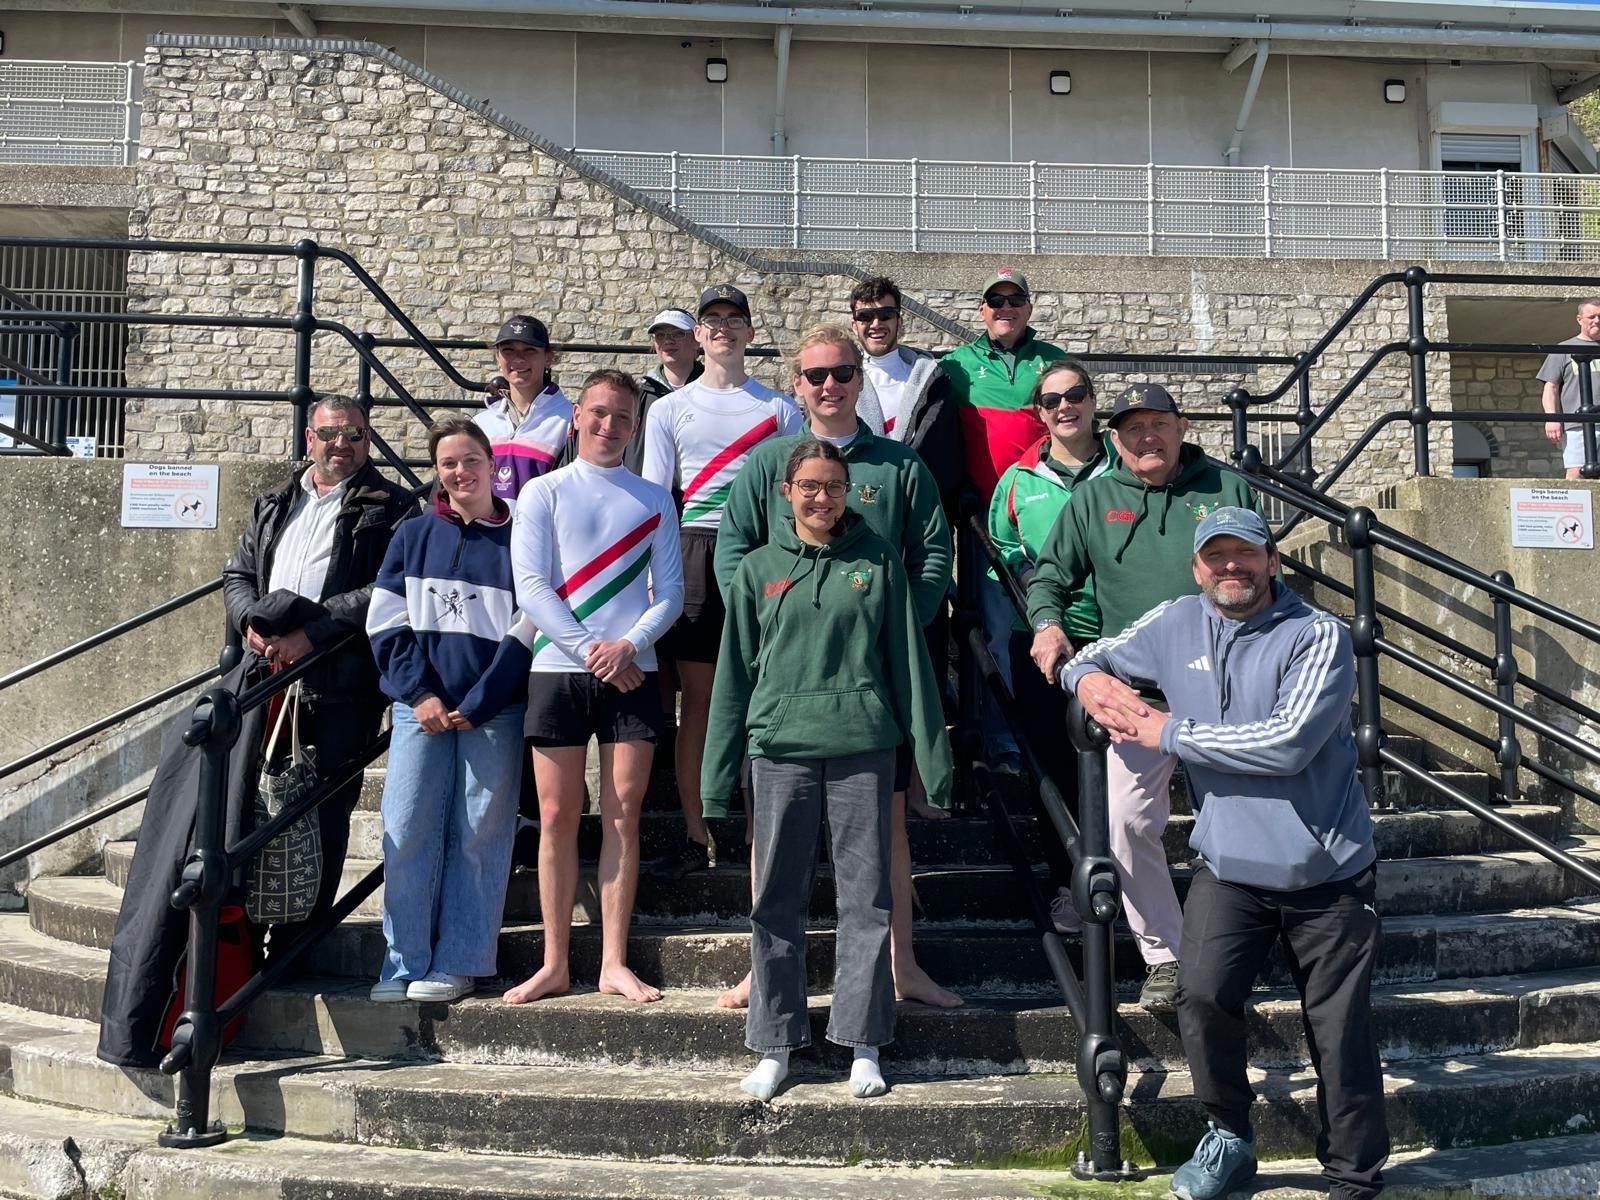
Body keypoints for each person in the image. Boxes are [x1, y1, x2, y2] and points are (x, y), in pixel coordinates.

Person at [1063, 507, 1387, 1200]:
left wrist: (1168, 732)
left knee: (1339, 1032)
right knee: (1203, 997)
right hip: (1229, 866)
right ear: (1196, 568)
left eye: (1245, 554)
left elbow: (1287, 743)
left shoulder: (1318, 635)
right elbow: (1093, 655)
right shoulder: (1176, 620)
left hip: (1326, 871)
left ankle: (1353, 1176)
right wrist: (1085, 680)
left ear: (1273, 562)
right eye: (1216, 557)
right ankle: (1230, 1139)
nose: (1230, 567)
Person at [98, 394, 417, 1065]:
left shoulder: (391, 508)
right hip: (262, 676)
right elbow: (239, 571)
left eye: (354, 435)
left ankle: (297, 945)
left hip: (337, 683)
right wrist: (250, 621)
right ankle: (249, 938)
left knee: (321, 810)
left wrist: (312, 633)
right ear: (309, 438)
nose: (341, 445)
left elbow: (386, 590)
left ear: (368, 441)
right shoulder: (276, 501)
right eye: (330, 434)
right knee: (248, 808)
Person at [714, 324, 958, 1010]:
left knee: (888, 827)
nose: (830, 385)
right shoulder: (768, 464)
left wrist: (897, 622)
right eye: (815, 375)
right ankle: (762, 969)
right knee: (770, 833)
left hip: (871, 678)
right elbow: (734, 550)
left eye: (842, 373)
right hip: (786, 677)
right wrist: (764, 625)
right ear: (796, 385)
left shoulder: (900, 466)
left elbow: (933, 551)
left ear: (860, 378)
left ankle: (901, 962)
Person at [702, 439, 954, 1103]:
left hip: (863, 744)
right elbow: (733, 677)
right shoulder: (756, 568)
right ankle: (775, 1043)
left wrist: (933, 761)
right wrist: (716, 777)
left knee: (866, 898)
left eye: (834, 486)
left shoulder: (879, 560)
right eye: (809, 486)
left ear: (848, 492)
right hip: (779, 747)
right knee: (774, 899)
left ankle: (864, 1042)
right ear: (786, 492)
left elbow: (909, 663)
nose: (822, 498)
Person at [1026, 382, 1258, 1011]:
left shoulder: (1226, 488)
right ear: (1115, 438)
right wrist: (1048, 623)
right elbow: (1050, 574)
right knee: (1124, 822)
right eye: (1133, 428)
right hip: (1137, 694)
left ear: (1182, 428)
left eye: (1158, 424)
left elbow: (1266, 573)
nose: (1146, 437)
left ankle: (1247, 941)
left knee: (1248, 814)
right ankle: (1167, 955)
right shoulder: (1095, 498)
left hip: (1226, 682)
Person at [505, 369, 684, 1004]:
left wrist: (628, 647)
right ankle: (554, 962)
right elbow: (532, 587)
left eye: (623, 417)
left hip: (634, 669)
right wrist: (594, 653)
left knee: (623, 816)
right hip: (559, 669)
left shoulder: (654, 499)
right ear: (577, 416)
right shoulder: (544, 492)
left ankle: (613, 961)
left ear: (635, 426)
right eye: (599, 413)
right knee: (556, 815)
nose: (610, 426)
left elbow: (671, 593)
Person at [365, 418, 536, 1004]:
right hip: (420, 710)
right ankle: (402, 961)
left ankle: (461, 960)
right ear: (436, 472)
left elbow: (529, 624)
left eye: (470, 460)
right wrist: (419, 694)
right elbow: (385, 621)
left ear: (493, 465)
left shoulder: (521, 538)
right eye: (448, 464)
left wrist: (485, 697)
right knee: (407, 826)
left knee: (479, 834)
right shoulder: (412, 535)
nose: (461, 472)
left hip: (494, 711)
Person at [642, 284, 804, 876]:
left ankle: (762, 834)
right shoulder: (668, 409)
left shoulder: (780, 409)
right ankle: (697, 833)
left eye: (735, 319)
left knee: (761, 695)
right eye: (713, 319)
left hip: (760, 553)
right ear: (698, 334)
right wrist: (655, 575)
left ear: (750, 333)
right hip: (692, 550)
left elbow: (790, 497)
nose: (724, 329)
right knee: (702, 703)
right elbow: (657, 500)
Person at [986, 359, 1112, 932]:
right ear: (1038, 412)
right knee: (1054, 764)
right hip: (1043, 640)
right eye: (1051, 399)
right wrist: (1040, 611)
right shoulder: (1017, 480)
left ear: (1093, 400)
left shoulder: (1124, 467)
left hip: (1118, 635)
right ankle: (1069, 883)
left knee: (1127, 768)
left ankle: (1128, 883)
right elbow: (1003, 555)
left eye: (1075, 394)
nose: (1065, 406)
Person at [941, 268, 1068, 769]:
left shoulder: (1054, 363)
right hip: (985, 524)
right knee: (993, 630)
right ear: (982, 310)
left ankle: (1061, 731)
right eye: (996, 301)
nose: (1005, 308)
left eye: (1015, 299)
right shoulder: (956, 366)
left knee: (1056, 620)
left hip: (1044, 515)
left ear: (1029, 308)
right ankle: (1003, 739)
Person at [848, 276, 964, 505]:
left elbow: (947, 454)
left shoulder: (932, 380)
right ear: (854, 325)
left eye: (886, 315)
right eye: (865, 316)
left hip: (917, 504)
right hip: (856, 506)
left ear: (899, 321)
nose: (876, 324)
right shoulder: (840, 380)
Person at [473, 314, 573, 501]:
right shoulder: (480, 424)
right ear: (498, 357)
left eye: (529, 350)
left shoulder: (569, 421)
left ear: (548, 357)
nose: (518, 359)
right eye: (508, 350)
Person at [1536, 297, 1600, 480]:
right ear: (1579, 319)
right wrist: (1552, 418)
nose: (1597, 321)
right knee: (1576, 473)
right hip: (1577, 425)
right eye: (1592, 316)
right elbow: (1551, 387)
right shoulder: (1564, 349)